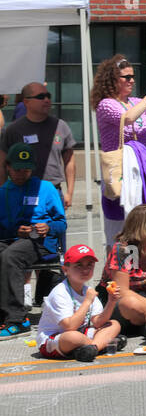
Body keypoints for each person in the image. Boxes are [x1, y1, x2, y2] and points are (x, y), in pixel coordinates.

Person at [92, 55, 146, 246]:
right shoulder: (106, 104)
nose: (131, 80)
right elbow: (127, 118)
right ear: (112, 80)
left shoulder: (136, 102)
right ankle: (117, 267)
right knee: (121, 227)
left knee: (144, 224)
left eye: (132, 76)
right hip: (120, 171)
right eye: (126, 77)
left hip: (140, 169)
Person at [0, 142, 66, 339]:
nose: (22, 173)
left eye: (27, 169)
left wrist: (48, 227)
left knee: (11, 256)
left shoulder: (46, 188)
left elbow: (61, 224)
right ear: (8, 167)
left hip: (41, 243)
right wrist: (15, 230)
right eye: (18, 169)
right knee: (6, 253)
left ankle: (18, 320)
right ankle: (4, 313)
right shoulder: (3, 192)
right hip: (12, 240)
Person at [98, 204, 146, 339]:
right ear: (142, 230)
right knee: (130, 302)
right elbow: (122, 292)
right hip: (119, 306)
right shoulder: (127, 250)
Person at [37, 244, 121, 362]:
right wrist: (87, 301)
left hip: (81, 335)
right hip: (55, 339)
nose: (85, 270)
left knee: (114, 324)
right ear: (66, 270)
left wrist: (111, 301)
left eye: (89, 265)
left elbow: (98, 321)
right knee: (73, 336)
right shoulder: (60, 292)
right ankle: (101, 345)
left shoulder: (87, 290)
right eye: (79, 265)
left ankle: (91, 349)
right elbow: (69, 326)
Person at [0, 81, 76, 211]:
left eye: (48, 96)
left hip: (53, 191)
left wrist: (69, 192)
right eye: (41, 97)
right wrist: (3, 194)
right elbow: (2, 164)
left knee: (55, 229)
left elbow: (69, 161)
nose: (46, 100)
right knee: (22, 230)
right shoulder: (13, 130)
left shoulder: (60, 126)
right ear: (26, 102)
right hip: (21, 192)